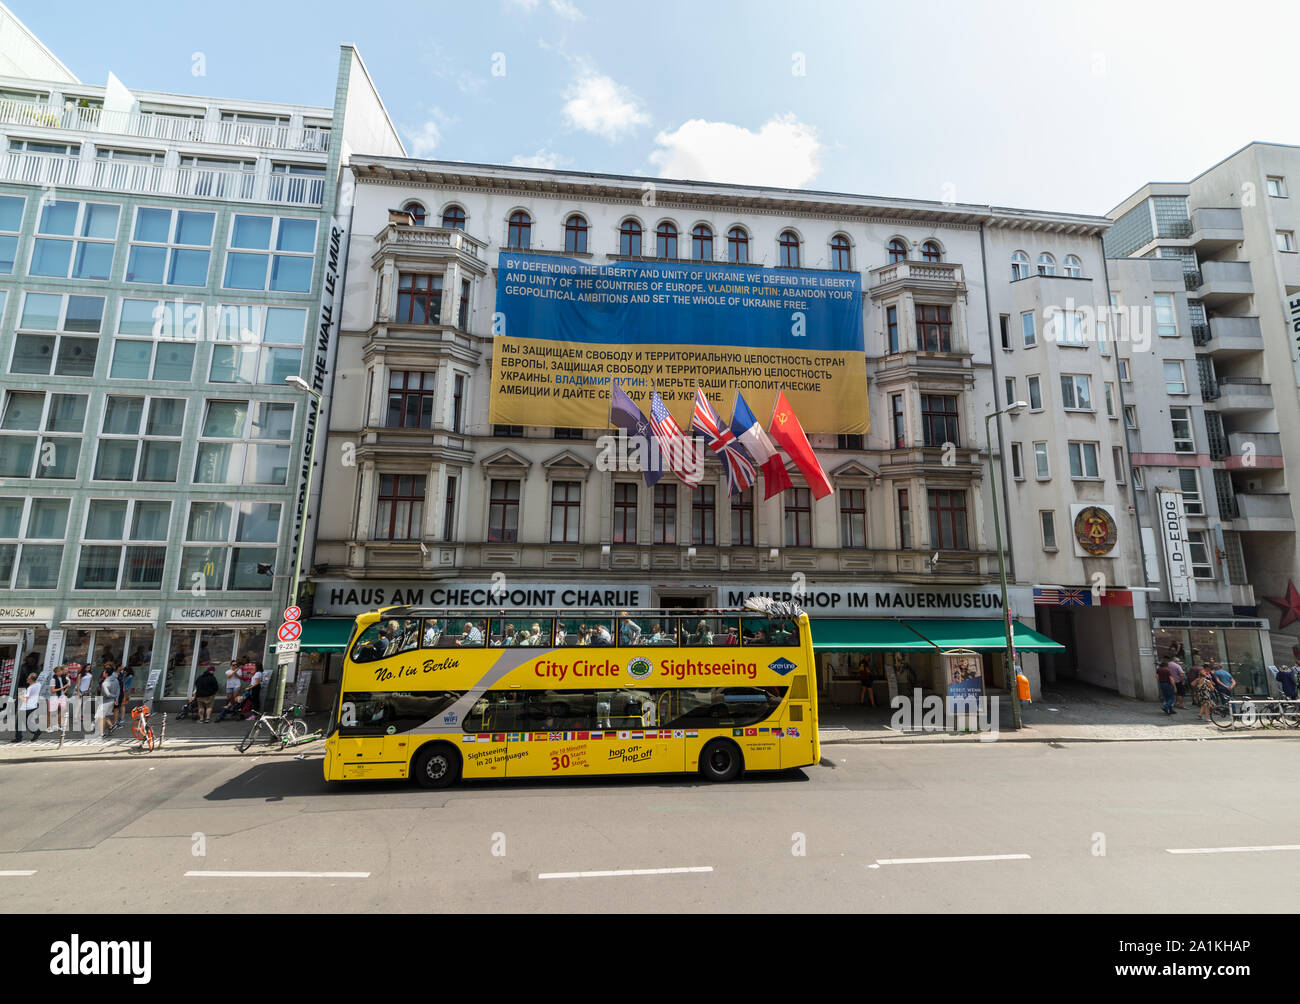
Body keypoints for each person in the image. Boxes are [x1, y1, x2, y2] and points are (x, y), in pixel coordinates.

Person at [13, 672, 40, 742]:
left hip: (26, 707)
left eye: (28, 677)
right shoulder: (38, 685)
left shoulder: (30, 688)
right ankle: (37, 731)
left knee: (18, 723)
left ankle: (18, 738)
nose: (27, 678)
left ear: (31, 679)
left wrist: (20, 696)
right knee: (28, 723)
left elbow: (25, 700)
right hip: (33, 706)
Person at [47, 664, 70, 732]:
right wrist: (63, 687)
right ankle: (48, 727)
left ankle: (57, 724)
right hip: (54, 696)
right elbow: (52, 690)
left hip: (61, 696)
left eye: (61, 671)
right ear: (56, 672)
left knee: (63, 710)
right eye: (59, 671)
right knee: (51, 712)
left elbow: (67, 686)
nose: (61, 672)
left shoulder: (63, 678)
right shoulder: (53, 679)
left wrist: (64, 691)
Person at [100, 667, 120, 735]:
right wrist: (116, 699)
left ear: (106, 673)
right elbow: (118, 690)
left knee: (102, 716)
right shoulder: (116, 680)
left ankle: (102, 733)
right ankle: (111, 726)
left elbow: (107, 694)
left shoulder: (105, 683)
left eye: (104, 672)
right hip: (112, 701)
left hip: (105, 701)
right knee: (105, 716)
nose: (103, 673)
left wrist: (113, 696)